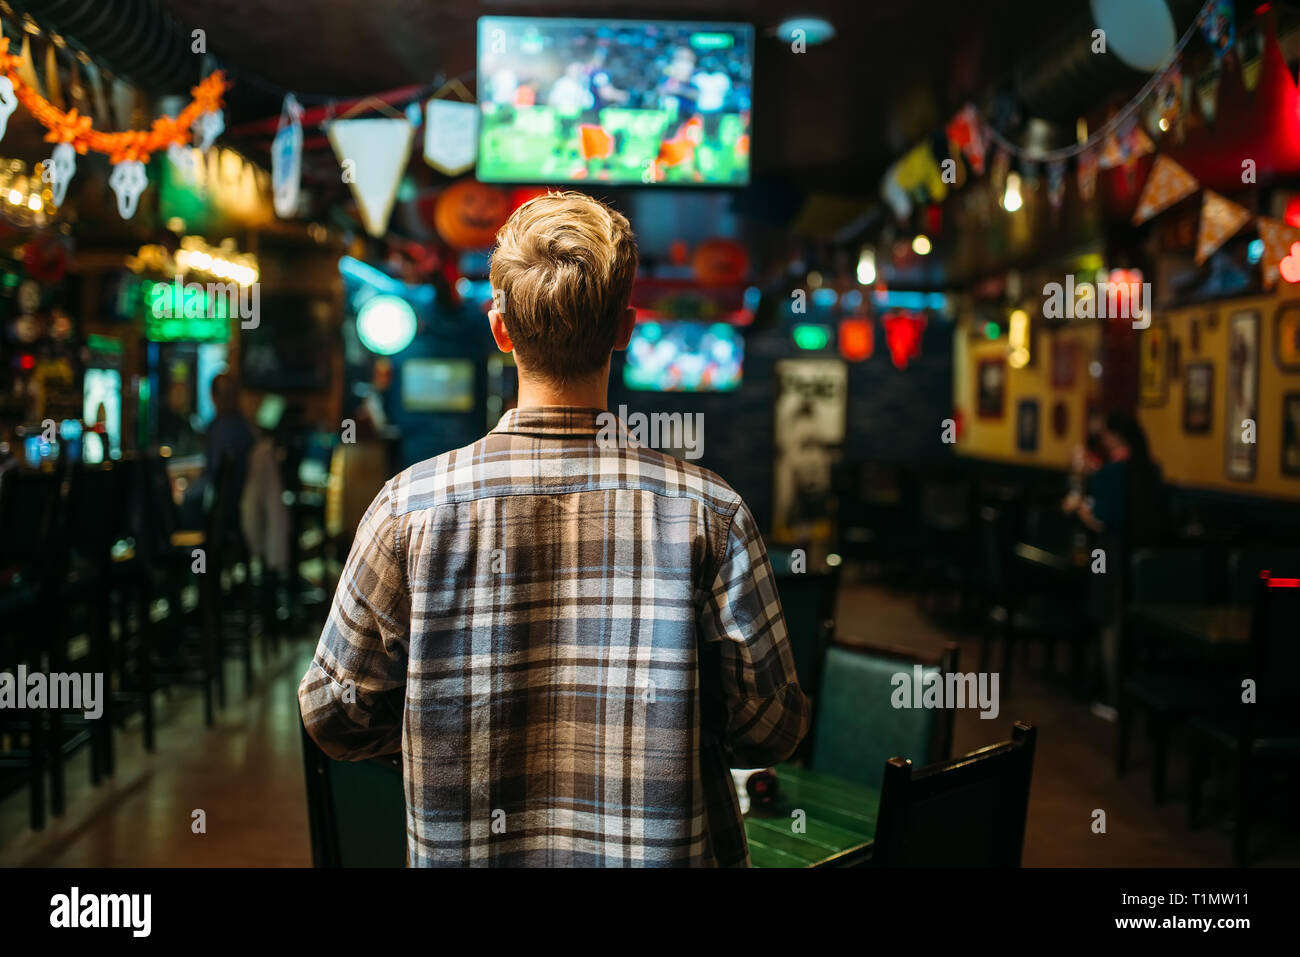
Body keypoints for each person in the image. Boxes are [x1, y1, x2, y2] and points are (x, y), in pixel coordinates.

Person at [299, 191, 809, 867]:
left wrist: (439, 716)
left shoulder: (407, 509)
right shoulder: (710, 512)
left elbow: (333, 716)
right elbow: (773, 728)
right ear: (625, 328)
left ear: (501, 328)